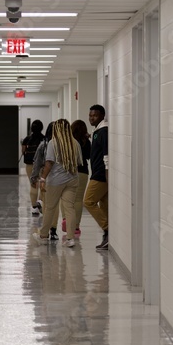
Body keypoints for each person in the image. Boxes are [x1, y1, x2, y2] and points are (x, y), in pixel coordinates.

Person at [36, 119, 82, 248]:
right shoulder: (75, 143)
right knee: (69, 208)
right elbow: (78, 162)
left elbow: (49, 163)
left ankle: (44, 236)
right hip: (72, 179)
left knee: (50, 207)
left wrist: (43, 178)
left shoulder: (53, 143)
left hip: (55, 181)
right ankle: (70, 238)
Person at [84, 105, 109, 250]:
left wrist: (106, 170)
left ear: (102, 116)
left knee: (88, 201)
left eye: (94, 115)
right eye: (90, 115)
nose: (91, 118)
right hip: (97, 172)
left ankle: (107, 228)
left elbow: (106, 152)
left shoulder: (104, 131)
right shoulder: (97, 131)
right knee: (103, 204)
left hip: (100, 174)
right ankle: (107, 236)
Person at [63, 120, 91, 238]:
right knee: (78, 200)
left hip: (68, 171)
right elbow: (89, 156)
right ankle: (76, 227)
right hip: (83, 171)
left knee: (66, 198)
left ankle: (66, 220)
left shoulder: (68, 141)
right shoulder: (86, 142)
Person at [21, 120, 45, 215]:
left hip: (30, 164)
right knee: (43, 184)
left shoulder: (27, 139)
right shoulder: (44, 138)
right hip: (42, 165)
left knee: (33, 184)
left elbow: (23, 152)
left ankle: (34, 207)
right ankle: (41, 201)